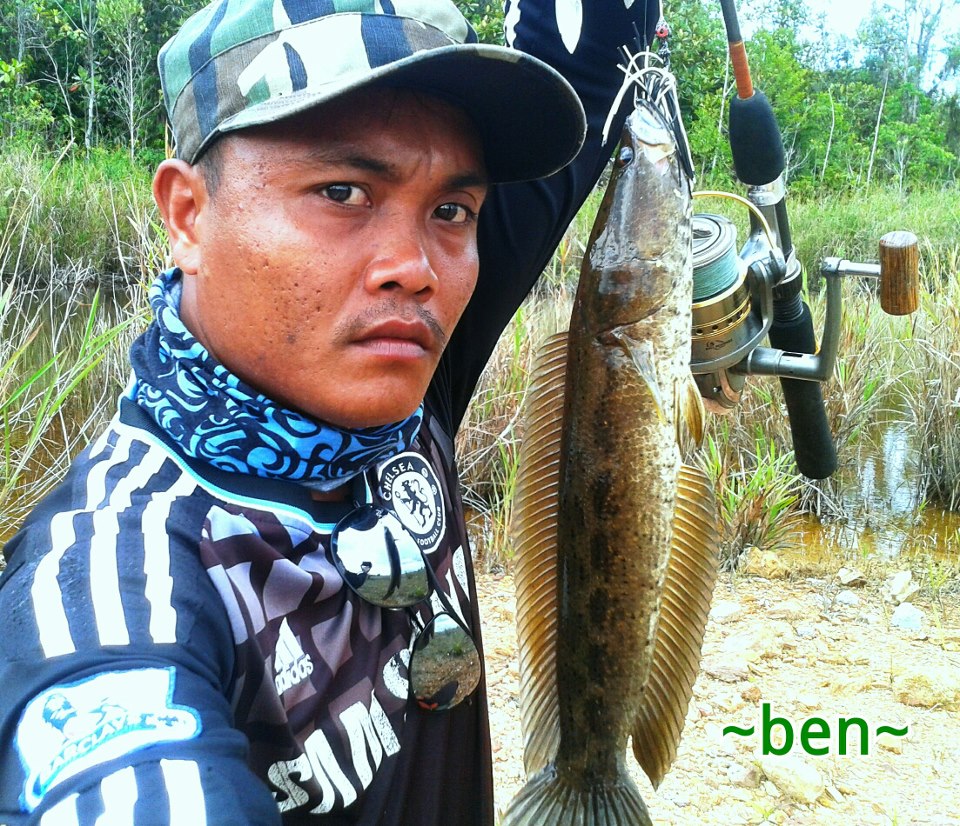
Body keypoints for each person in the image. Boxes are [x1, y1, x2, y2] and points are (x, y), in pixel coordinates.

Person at [0, 0, 659, 823]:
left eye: (452, 209)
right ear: (187, 215)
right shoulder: (115, 590)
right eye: (342, 192)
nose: (415, 268)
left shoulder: (403, 375)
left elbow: (594, 55)